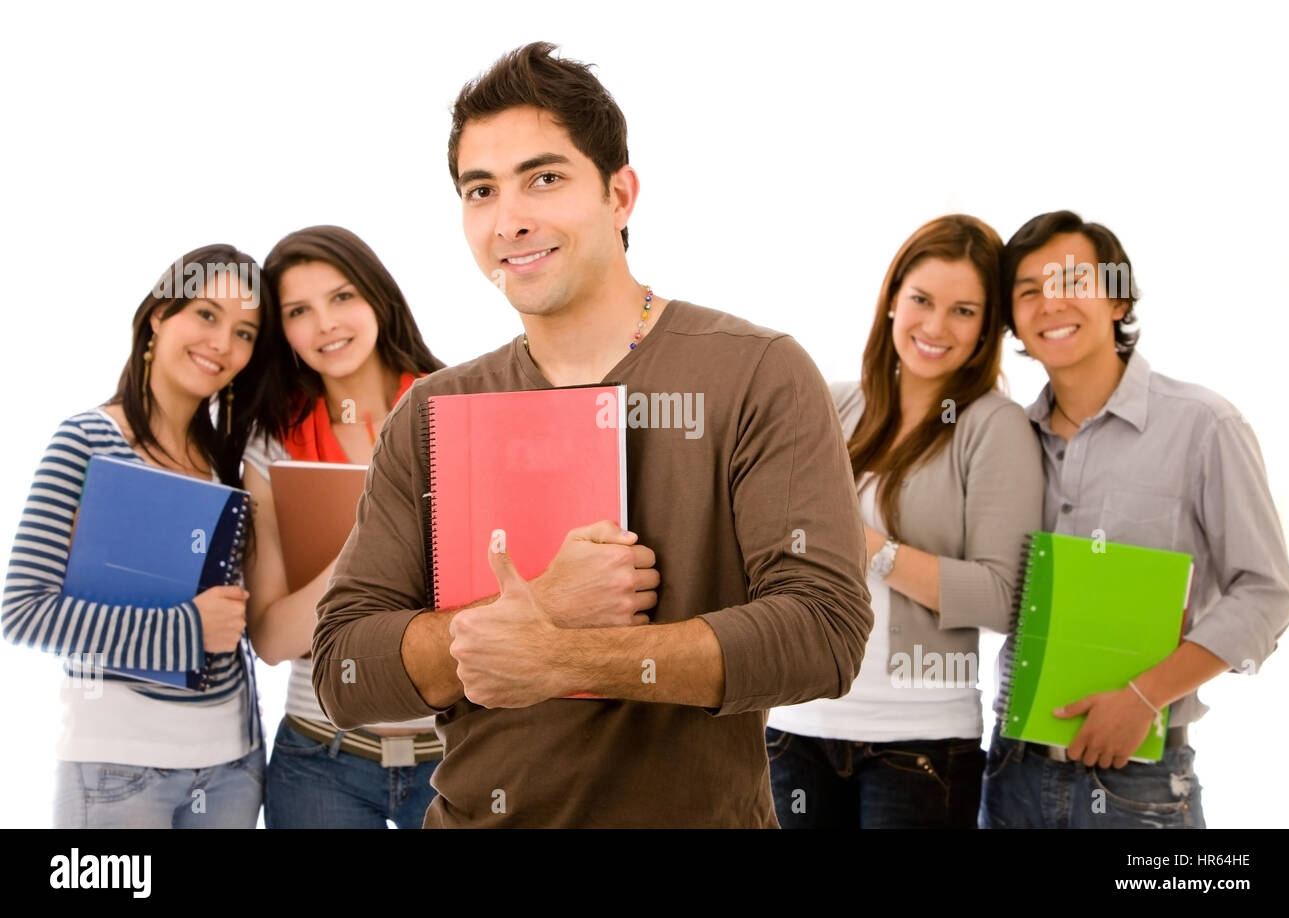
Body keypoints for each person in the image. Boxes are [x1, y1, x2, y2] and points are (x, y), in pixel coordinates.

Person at [311, 42, 873, 828]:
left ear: (620, 194)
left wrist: (562, 657)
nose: (510, 219)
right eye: (481, 191)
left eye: (544, 178)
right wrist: (541, 606)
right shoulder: (432, 413)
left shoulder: (757, 374)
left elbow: (823, 631)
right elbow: (344, 668)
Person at [981, 210, 1289, 828]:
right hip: (1009, 771)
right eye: (1029, 291)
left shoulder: (1204, 425)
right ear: (1012, 319)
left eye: (1072, 282)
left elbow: (1266, 595)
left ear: (1119, 299)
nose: (1051, 304)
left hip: (1138, 785)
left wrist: (1143, 696)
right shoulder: (1007, 437)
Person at [766, 215, 1042, 828]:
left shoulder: (992, 427)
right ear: (893, 299)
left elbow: (1004, 600)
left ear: (988, 326)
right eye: (921, 300)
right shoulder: (832, 405)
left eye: (963, 311)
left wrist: (867, 547)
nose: (936, 327)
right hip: (793, 730)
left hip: (918, 746)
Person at [2, 245, 277, 828]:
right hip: (116, 771)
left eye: (245, 332)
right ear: (159, 315)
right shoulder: (86, 441)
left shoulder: (225, 460)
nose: (222, 345)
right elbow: (22, 613)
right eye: (205, 314)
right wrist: (187, 628)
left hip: (231, 767)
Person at [241, 225, 448, 828]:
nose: (326, 324)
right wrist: (373, 543)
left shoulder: (458, 409)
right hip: (319, 758)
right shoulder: (274, 446)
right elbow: (275, 639)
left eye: (342, 297)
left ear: (378, 299)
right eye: (299, 311)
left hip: (454, 755)